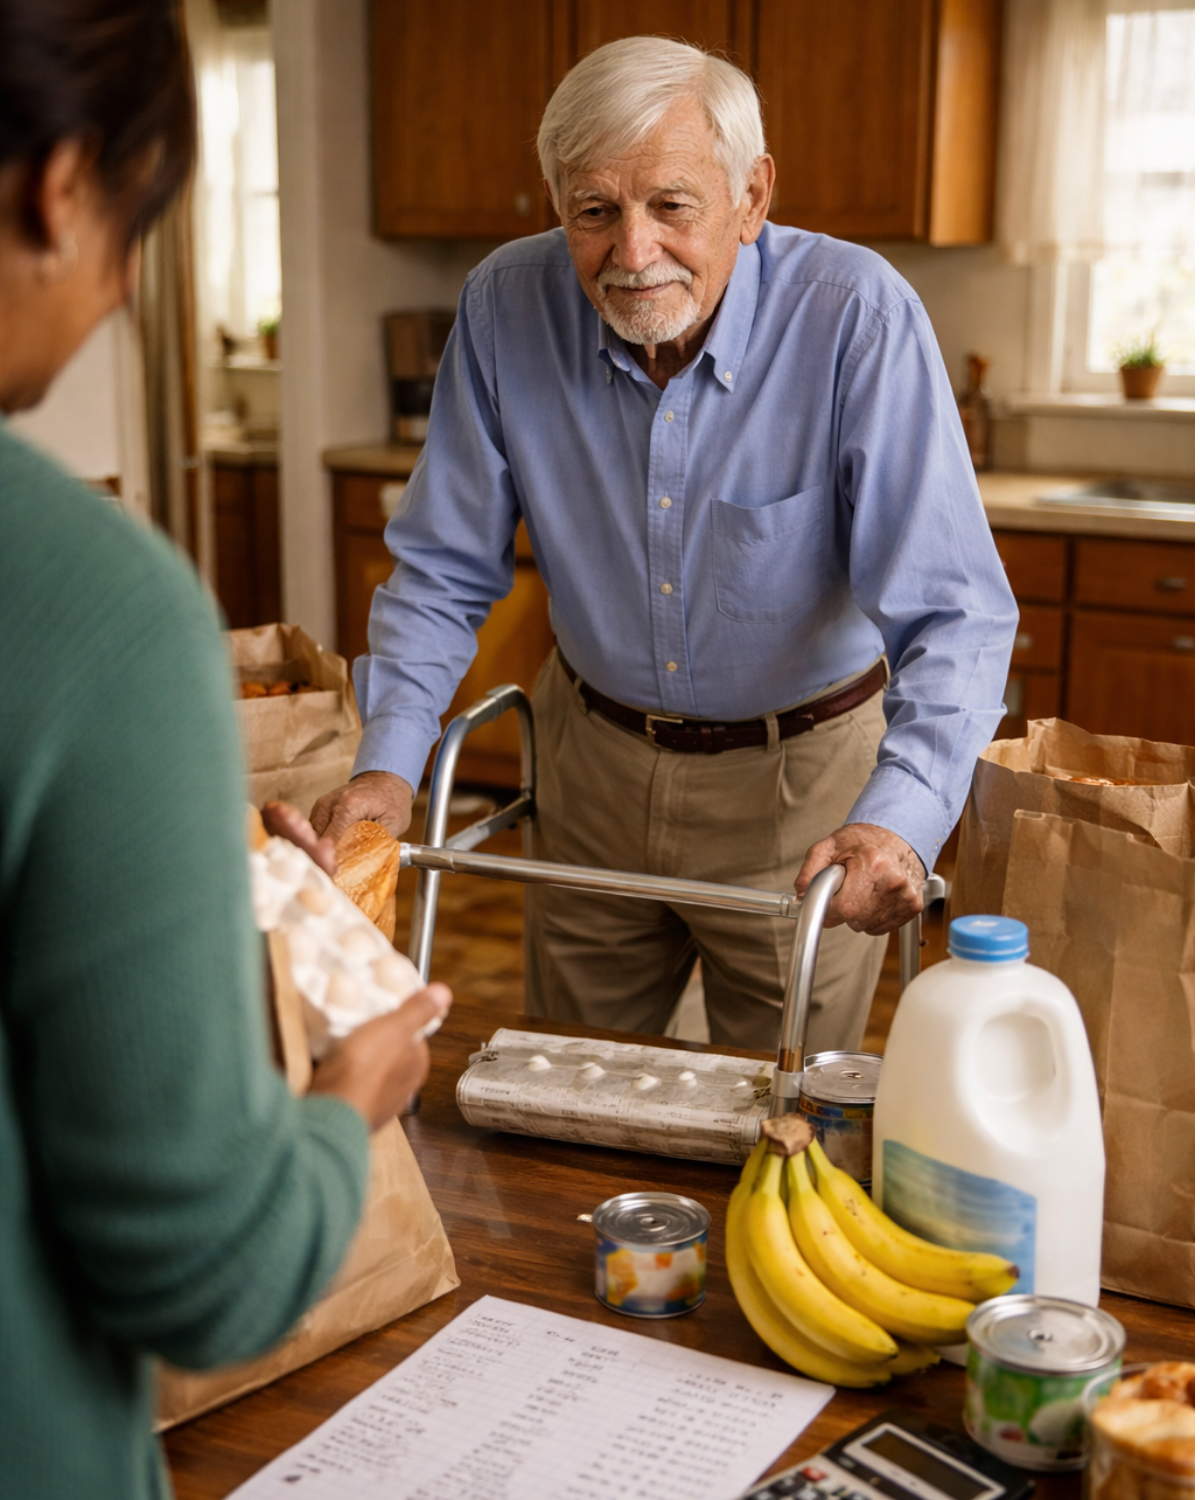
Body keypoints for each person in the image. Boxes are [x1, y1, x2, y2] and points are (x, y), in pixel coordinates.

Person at [312, 36, 1017, 1052]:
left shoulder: (855, 317)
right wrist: (390, 766)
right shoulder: (504, 307)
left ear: (751, 196)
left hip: (802, 788)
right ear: (557, 206)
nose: (633, 252)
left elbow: (955, 614)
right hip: (591, 769)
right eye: (594, 211)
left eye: (671, 206)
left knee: (778, 1107)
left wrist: (896, 819)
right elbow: (438, 572)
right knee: (568, 1082)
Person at [0, 5, 450, 1496]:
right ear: (63, 185)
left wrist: (200, 857)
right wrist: (349, 1100)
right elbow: (203, 1274)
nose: (128, 288)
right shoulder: (96, 609)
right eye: (140, 229)